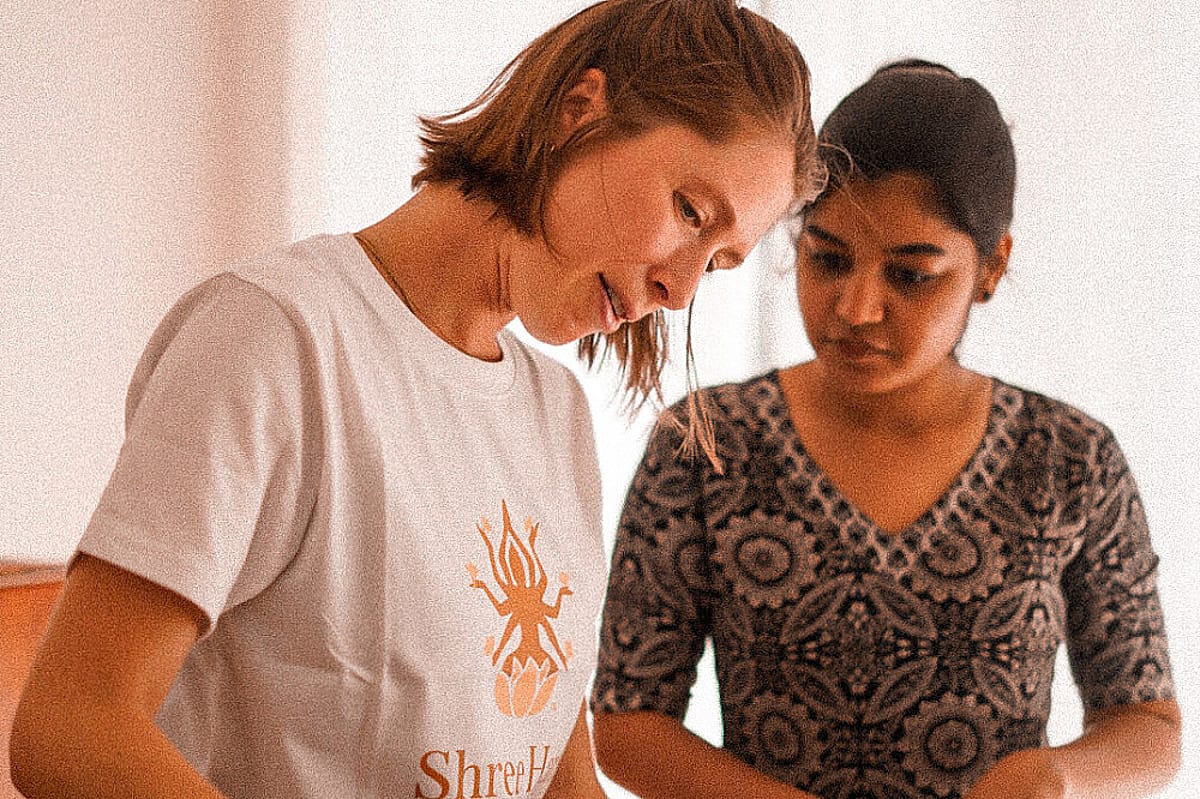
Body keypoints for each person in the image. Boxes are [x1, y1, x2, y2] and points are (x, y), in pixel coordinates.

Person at [8, 2, 823, 798]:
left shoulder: (557, 413)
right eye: (690, 212)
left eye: (719, 262)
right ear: (579, 111)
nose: (681, 291)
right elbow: (72, 728)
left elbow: (555, 770)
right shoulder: (276, 338)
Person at [590, 59, 1180, 799]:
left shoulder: (1070, 459)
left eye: (911, 275)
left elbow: (1149, 724)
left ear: (992, 266)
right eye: (827, 259)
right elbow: (628, 722)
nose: (856, 308)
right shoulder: (708, 444)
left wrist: (1055, 776)